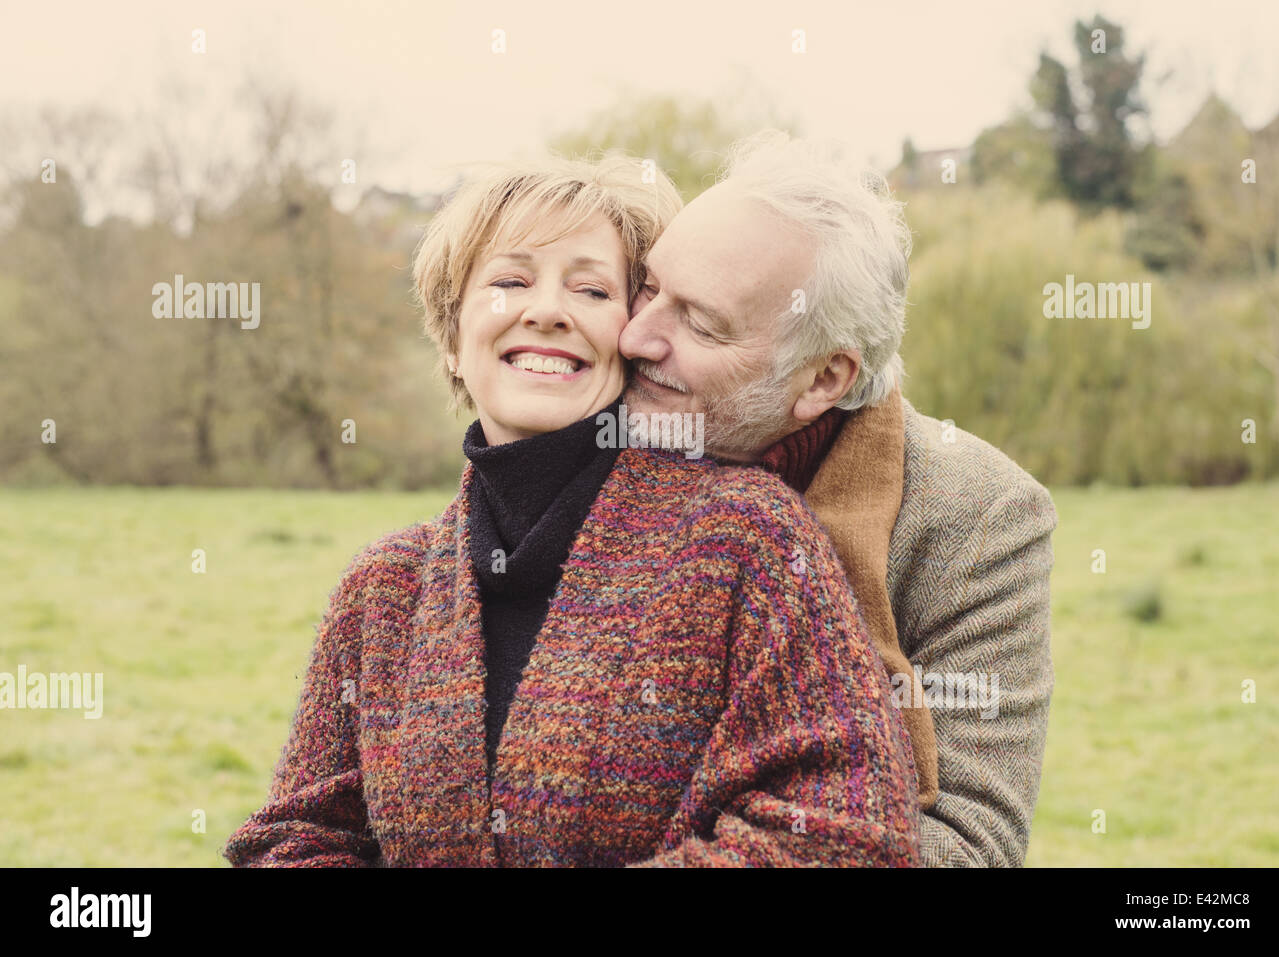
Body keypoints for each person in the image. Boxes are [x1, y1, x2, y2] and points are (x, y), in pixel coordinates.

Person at [221, 151, 921, 867]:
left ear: (631, 336)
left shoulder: (743, 538)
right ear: (453, 334)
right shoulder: (383, 587)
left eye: (591, 290)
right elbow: (292, 839)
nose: (547, 310)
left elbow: (848, 839)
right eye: (510, 280)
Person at [618, 130, 1058, 867]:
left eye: (699, 322)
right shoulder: (595, 431)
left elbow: (969, 843)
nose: (636, 335)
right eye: (650, 287)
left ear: (823, 378)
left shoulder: (979, 516)